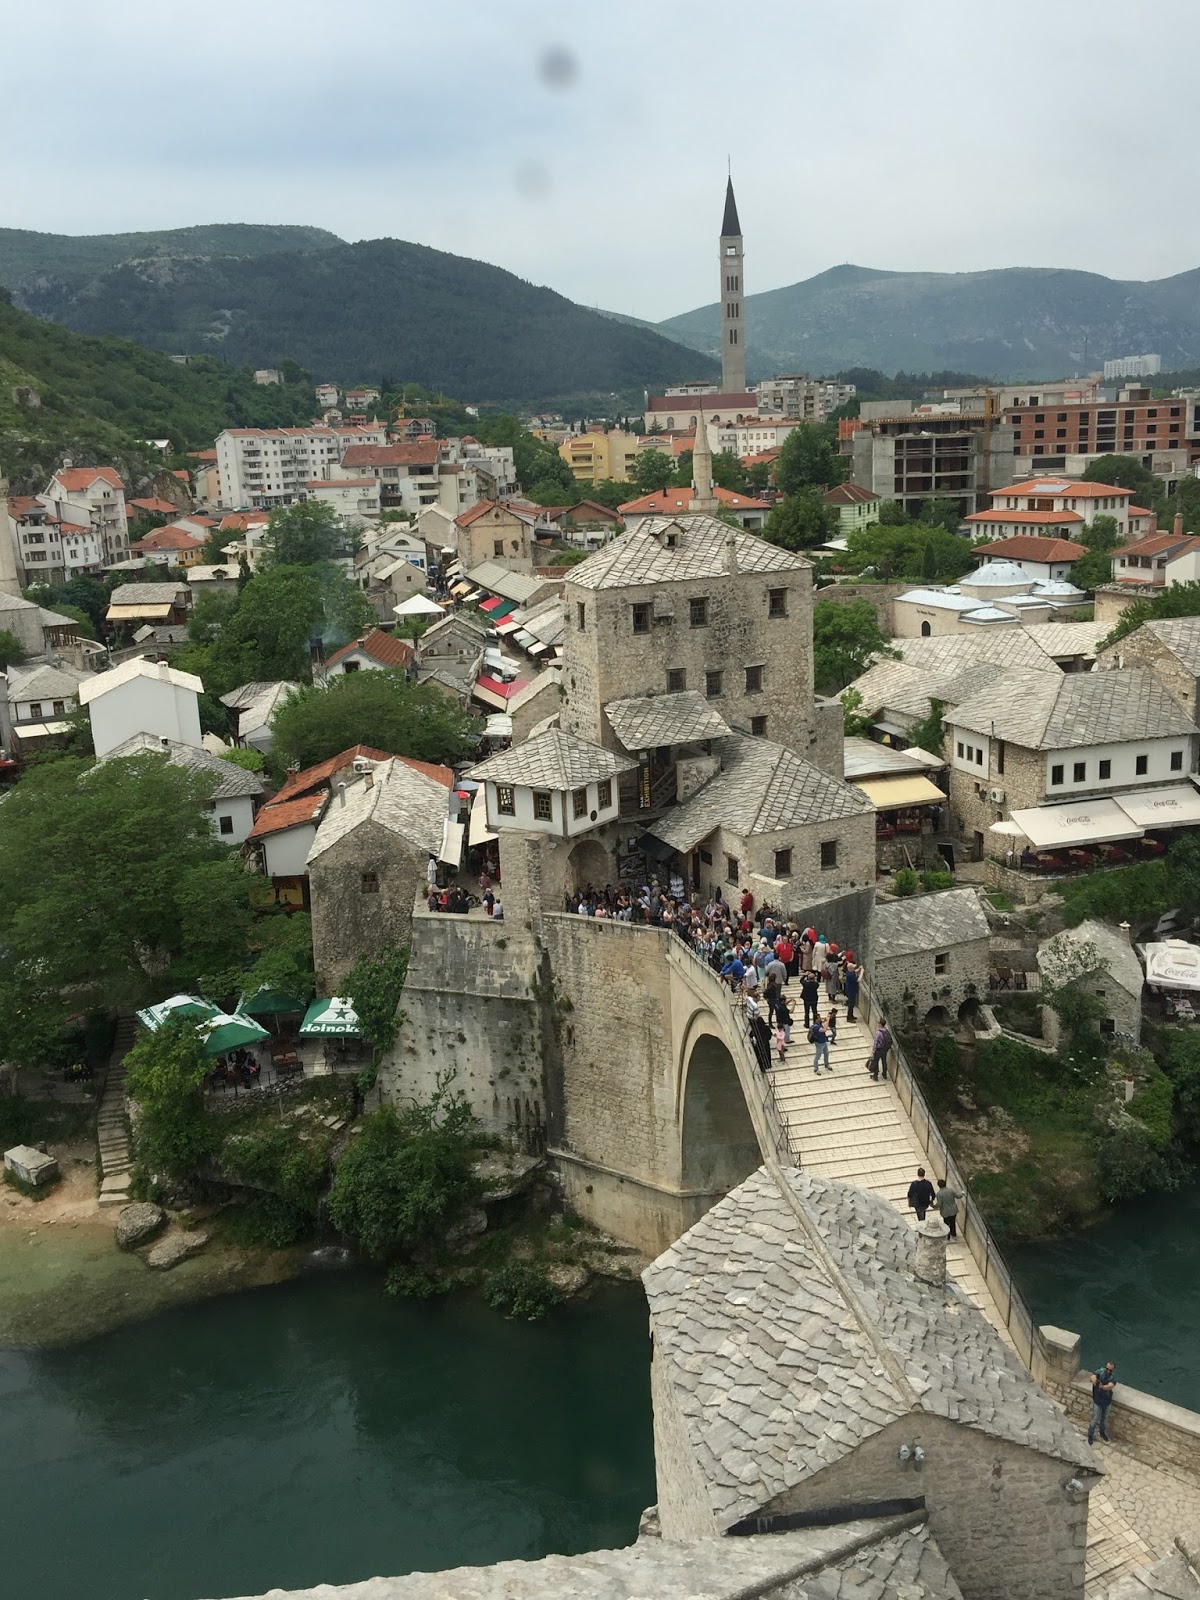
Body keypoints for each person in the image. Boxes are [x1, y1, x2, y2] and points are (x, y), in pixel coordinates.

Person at [1088, 1361, 1117, 1445]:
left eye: (1110, 1370)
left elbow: (1110, 1386)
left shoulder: (1112, 1377)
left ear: (1113, 1370)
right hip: (1097, 1400)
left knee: (1104, 1419)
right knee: (1095, 1418)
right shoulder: (1100, 1372)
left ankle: (1102, 1432)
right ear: (1105, 1367)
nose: (1108, 1371)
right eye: (1107, 1369)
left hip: (1107, 1401)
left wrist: (1102, 1387)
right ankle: (1090, 1434)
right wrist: (1093, 1379)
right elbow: (1093, 1376)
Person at [843, 958, 860, 1023]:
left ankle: (851, 1015)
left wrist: (859, 969)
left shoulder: (848, 972)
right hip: (851, 991)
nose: (854, 968)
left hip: (851, 990)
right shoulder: (850, 975)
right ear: (850, 968)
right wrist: (862, 972)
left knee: (852, 1004)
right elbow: (858, 980)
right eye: (853, 967)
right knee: (850, 1004)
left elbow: (854, 971)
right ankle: (849, 1018)